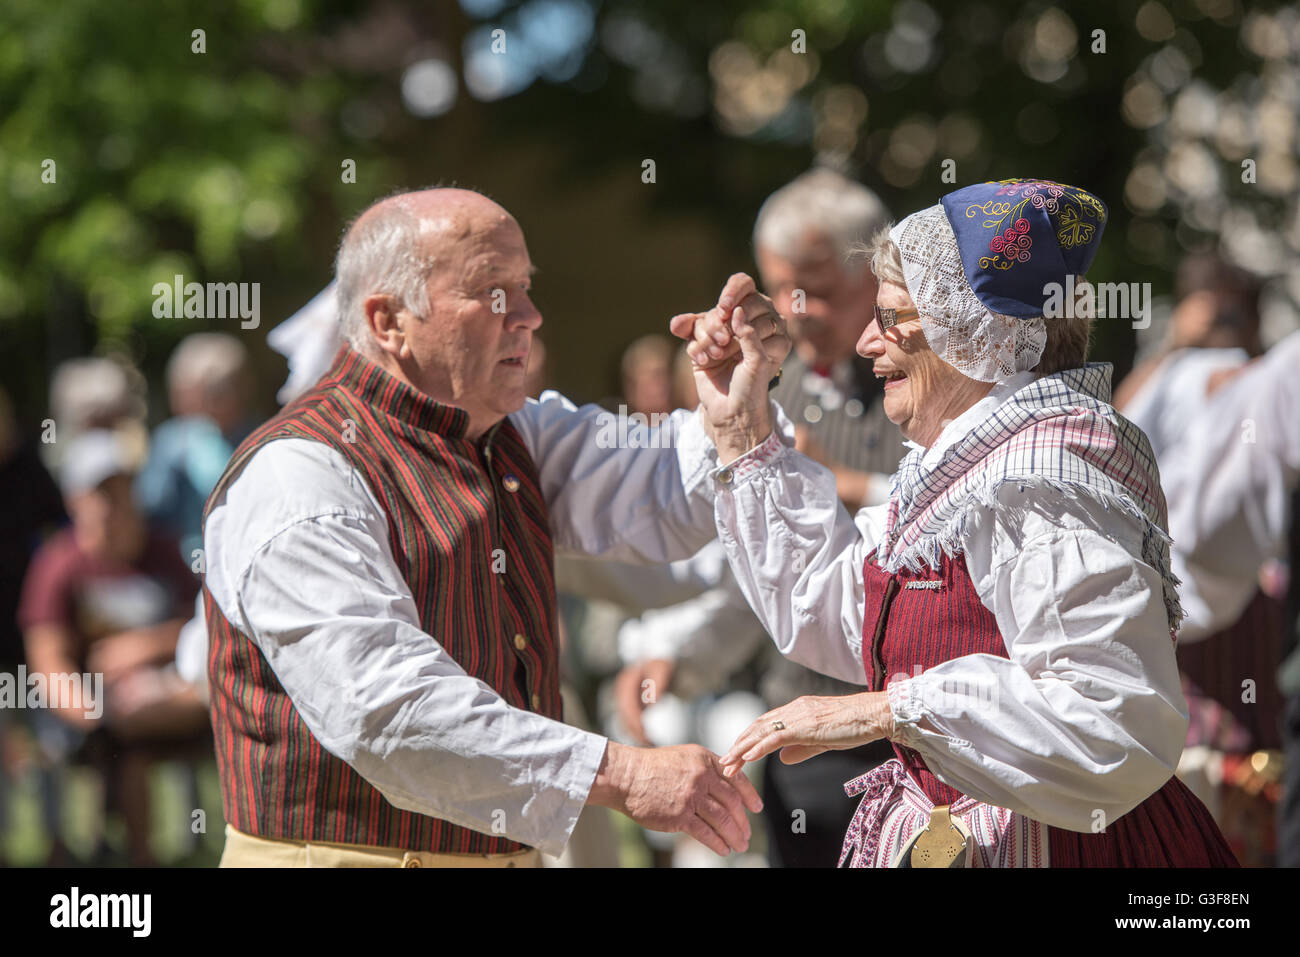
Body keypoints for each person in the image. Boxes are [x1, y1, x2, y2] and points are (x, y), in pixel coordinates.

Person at [675, 178, 1238, 866]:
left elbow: (1111, 720)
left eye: (891, 316)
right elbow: (829, 607)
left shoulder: (1042, 479)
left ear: (970, 332)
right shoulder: (964, 470)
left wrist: (885, 710)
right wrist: (742, 424)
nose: (864, 342)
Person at [201, 187, 763, 867]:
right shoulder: (301, 472)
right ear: (387, 320)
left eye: (525, 287)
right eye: (492, 292)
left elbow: (668, 490)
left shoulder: (513, 431)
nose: (529, 315)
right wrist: (622, 773)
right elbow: (387, 712)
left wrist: (739, 405)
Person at [615, 169, 908, 866]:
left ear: (880, 278)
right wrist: (683, 660)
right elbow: (765, 575)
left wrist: (848, 486)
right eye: (781, 289)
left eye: (821, 291)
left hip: (918, 739)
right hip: (805, 749)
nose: (797, 310)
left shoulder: (930, 374)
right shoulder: (778, 387)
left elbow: (962, 517)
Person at [1115, 254, 1285, 864]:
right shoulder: (1183, 369)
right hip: (1185, 584)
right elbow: (1116, 421)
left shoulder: (1230, 372)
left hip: (1211, 586)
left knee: (1224, 751)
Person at [18, 429, 208, 865]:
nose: (113, 502)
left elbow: (203, 628)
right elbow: (47, 660)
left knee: (206, 697)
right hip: (102, 705)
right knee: (125, 734)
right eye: (100, 491)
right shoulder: (57, 564)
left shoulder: (164, 551)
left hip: (176, 690)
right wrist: (90, 714)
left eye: (121, 487)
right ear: (74, 500)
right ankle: (135, 853)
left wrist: (143, 646)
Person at [136, 333, 254, 563]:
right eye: (214, 390)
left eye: (228, 387)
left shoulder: (261, 436)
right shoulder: (173, 443)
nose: (225, 399)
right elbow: (153, 512)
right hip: (189, 571)